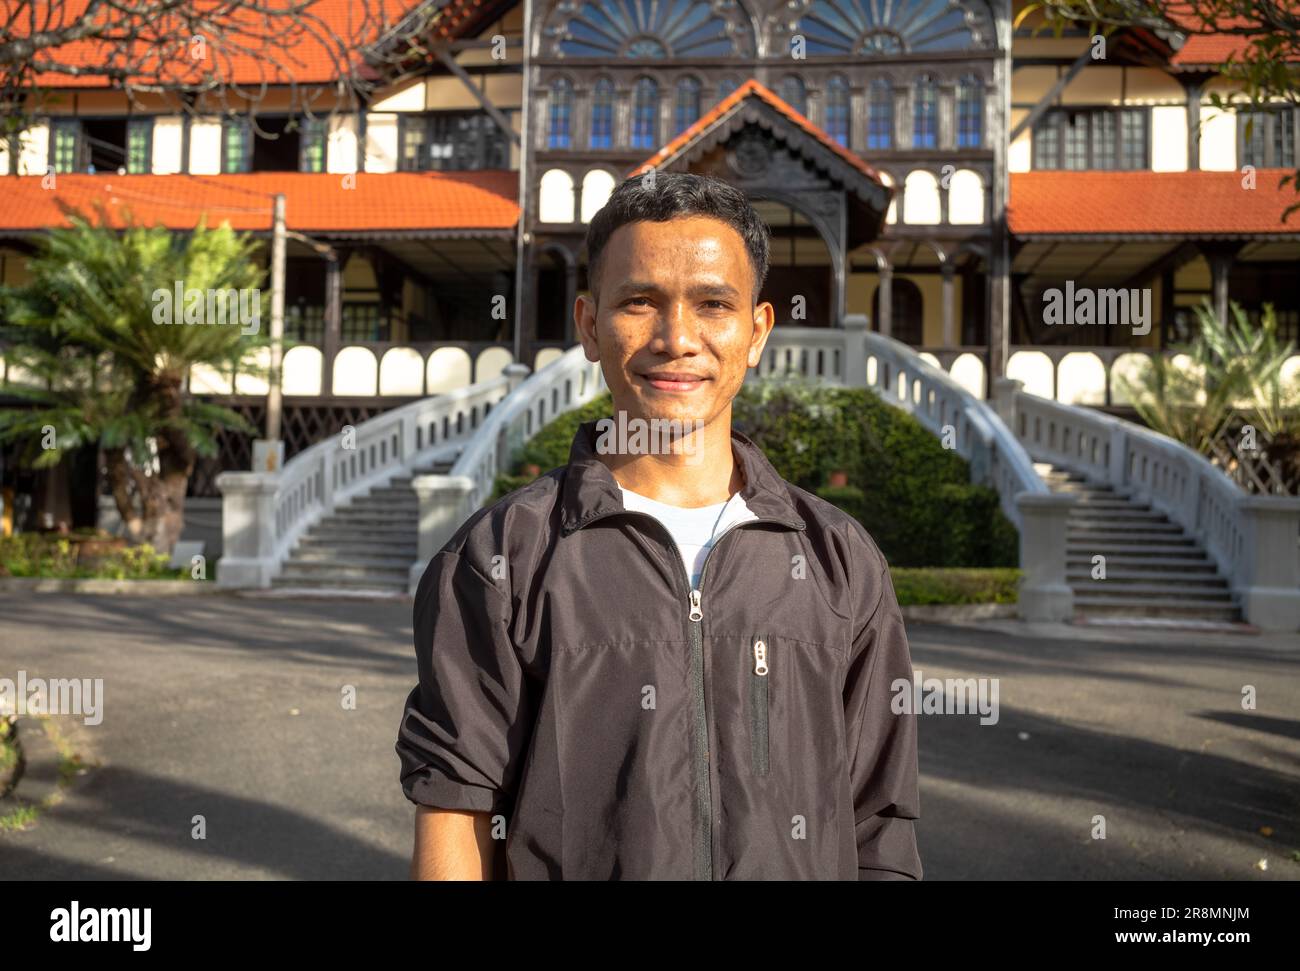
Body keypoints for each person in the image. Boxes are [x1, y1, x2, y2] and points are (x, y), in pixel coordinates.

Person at [397, 172, 921, 880]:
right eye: (640, 301)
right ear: (588, 324)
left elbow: (879, 824)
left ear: (756, 331)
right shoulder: (501, 559)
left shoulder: (839, 562)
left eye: (713, 304)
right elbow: (455, 809)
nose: (678, 339)